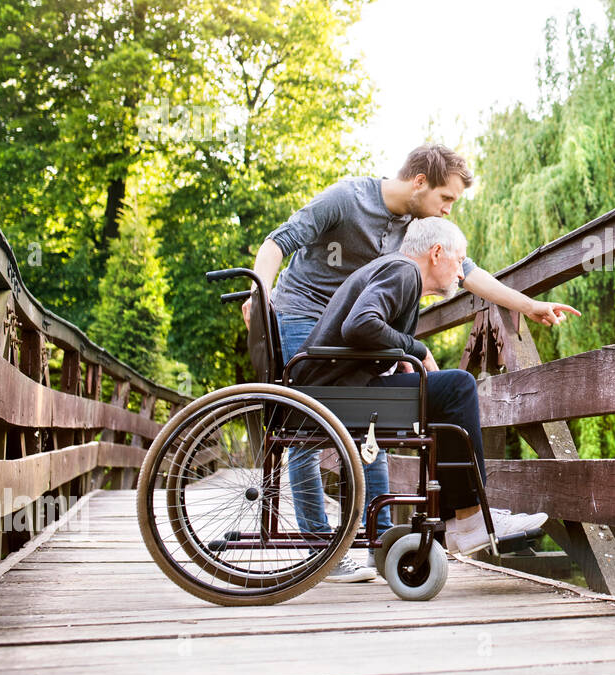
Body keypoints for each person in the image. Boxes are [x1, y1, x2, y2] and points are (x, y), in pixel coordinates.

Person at [246, 145, 579, 581]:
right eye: (447, 199)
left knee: (371, 432)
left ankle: (379, 545)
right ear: (420, 183)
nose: (447, 209)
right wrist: (259, 292)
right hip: (304, 313)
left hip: (360, 326)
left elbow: (465, 271)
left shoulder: (419, 231)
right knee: (309, 431)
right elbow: (280, 240)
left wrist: (528, 305)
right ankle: (320, 550)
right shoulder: (347, 199)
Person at [289, 217, 543, 559]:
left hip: (336, 389)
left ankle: (460, 519)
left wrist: (400, 357)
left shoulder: (396, 270)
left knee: (446, 393)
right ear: (436, 252)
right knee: (457, 386)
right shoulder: (404, 271)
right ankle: (467, 520)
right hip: (336, 395)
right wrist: (417, 350)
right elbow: (360, 324)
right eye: (459, 259)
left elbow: (366, 331)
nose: (460, 273)